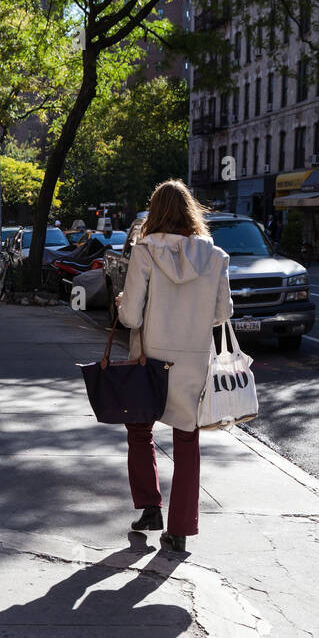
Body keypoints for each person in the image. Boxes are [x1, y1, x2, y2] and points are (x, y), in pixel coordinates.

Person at [114, 179, 233, 552]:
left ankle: (150, 508)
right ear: (190, 212)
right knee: (187, 440)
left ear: (156, 211)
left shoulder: (145, 251)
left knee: (139, 430)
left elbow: (131, 318)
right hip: (193, 361)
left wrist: (121, 302)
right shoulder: (215, 257)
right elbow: (222, 314)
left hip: (150, 358)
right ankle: (180, 530)